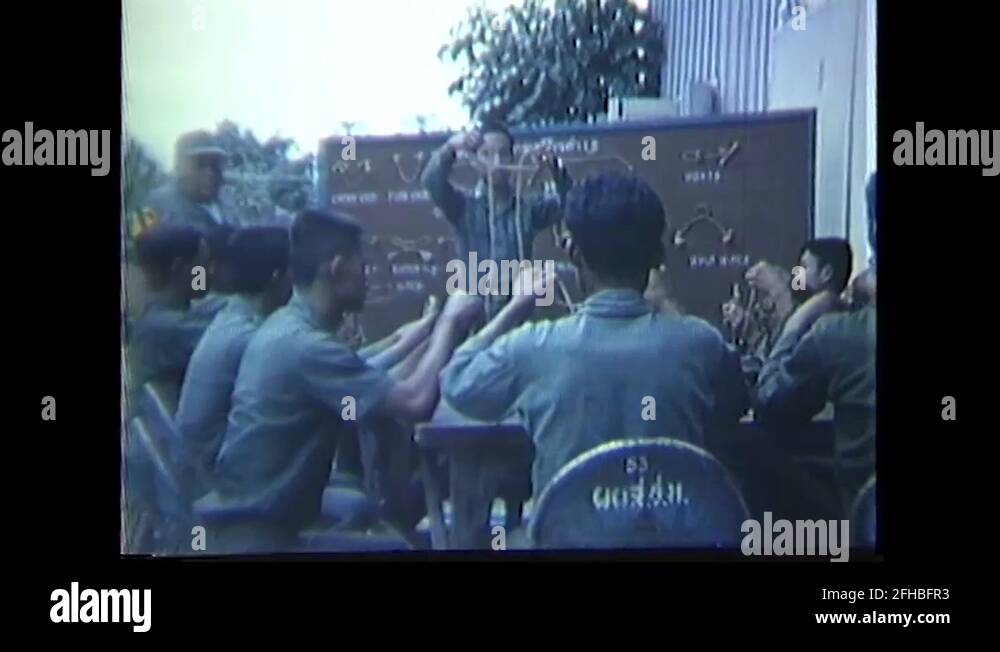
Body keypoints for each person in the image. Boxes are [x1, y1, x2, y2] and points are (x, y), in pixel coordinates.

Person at [440, 172, 748, 498]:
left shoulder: (534, 347)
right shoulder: (700, 343)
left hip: (567, 538)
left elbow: (458, 384)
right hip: (674, 538)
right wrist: (667, 303)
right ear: (659, 256)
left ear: (574, 254)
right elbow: (735, 404)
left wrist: (515, 307)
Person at [202, 209, 482, 552]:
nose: (368, 277)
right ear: (335, 269)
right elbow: (413, 403)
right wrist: (450, 325)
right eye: (362, 266)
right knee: (396, 548)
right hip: (256, 537)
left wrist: (427, 336)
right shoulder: (306, 345)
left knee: (388, 530)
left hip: (253, 524)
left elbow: (380, 384)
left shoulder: (288, 328)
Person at [756, 211, 876, 515]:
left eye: (805, 267)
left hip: (862, 520)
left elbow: (771, 402)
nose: (797, 272)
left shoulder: (839, 330)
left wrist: (795, 314)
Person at [173, 227, 292, 500]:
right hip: (219, 488)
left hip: (207, 471)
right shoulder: (251, 338)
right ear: (278, 277)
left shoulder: (234, 316)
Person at [421, 120, 572, 318]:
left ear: (512, 158)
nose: (497, 161)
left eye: (503, 154)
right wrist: (452, 147)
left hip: (515, 318)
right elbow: (432, 181)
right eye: (487, 154)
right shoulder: (463, 207)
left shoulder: (527, 209)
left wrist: (556, 170)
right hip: (474, 319)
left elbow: (569, 203)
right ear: (475, 161)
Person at [126, 225, 212, 394]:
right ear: (178, 267)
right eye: (202, 266)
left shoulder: (163, 310)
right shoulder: (165, 326)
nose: (209, 273)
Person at [141, 130, 239, 236]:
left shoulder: (228, 203)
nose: (209, 172)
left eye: (214, 164)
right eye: (200, 164)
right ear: (181, 167)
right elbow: (136, 244)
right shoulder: (155, 203)